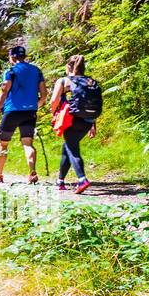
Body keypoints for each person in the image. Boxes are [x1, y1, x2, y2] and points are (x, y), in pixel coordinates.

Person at [0, 45, 47, 183]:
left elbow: (4, 91)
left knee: (3, 144)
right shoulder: (36, 71)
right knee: (27, 143)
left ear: (12, 57)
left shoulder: (11, 72)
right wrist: (35, 106)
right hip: (30, 112)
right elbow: (44, 95)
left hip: (12, 112)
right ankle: (32, 172)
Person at [50, 54, 98, 194]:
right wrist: (93, 125)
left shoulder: (64, 81)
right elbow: (91, 103)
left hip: (71, 119)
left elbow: (54, 101)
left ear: (68, 67)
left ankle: (82, 179)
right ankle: (60, 181)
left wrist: (54, 114)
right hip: (88, 121)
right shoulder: (90, 81)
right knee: (68, 146)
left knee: (72, 149)